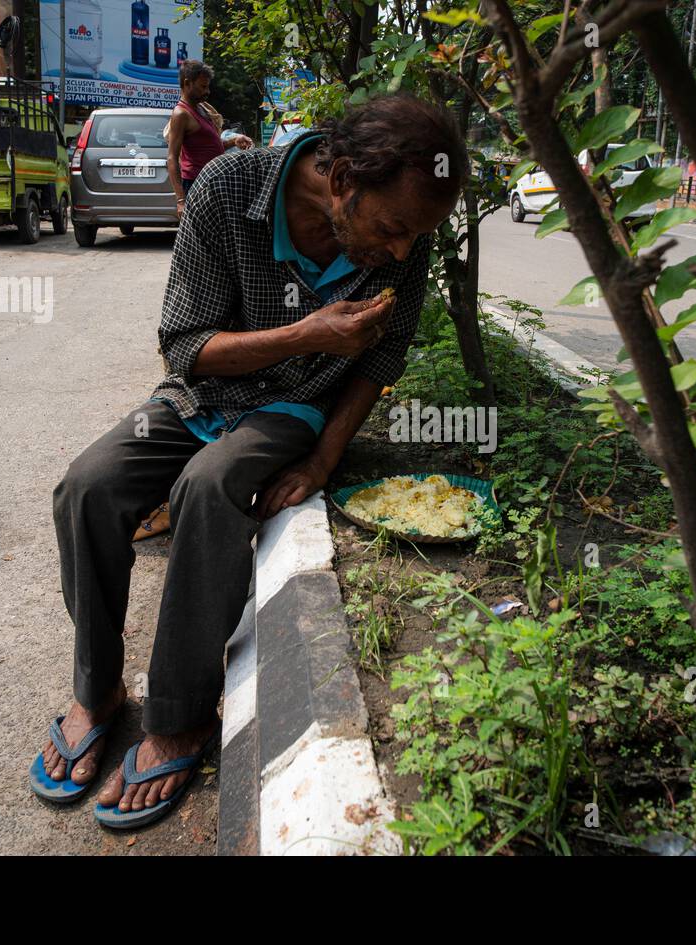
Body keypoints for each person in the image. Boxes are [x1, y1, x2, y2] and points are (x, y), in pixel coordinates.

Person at [31, 93, 467, 828]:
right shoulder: (227, 189)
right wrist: (307, 333)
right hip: (197, 395)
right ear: (341, 183)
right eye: (391, 229)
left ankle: (180, 712)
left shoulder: (406, 233)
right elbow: (186, 346)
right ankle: (97, 687)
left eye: (411, 237)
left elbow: (380, 358)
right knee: (88, 485)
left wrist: (325, 459)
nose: (399, 252)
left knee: (208, 486)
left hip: (290, 409)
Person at [165, 60, 252, 219]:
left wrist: (234, 140)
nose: (208, 91)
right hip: (196, 185)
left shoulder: (201, 109)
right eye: (203, 87)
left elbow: (209, 148)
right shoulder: (181, 114)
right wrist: (181, 200)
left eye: (208, 86)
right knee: (200, 240)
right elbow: (171, 158)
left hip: (213, 183)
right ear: (187, 83)